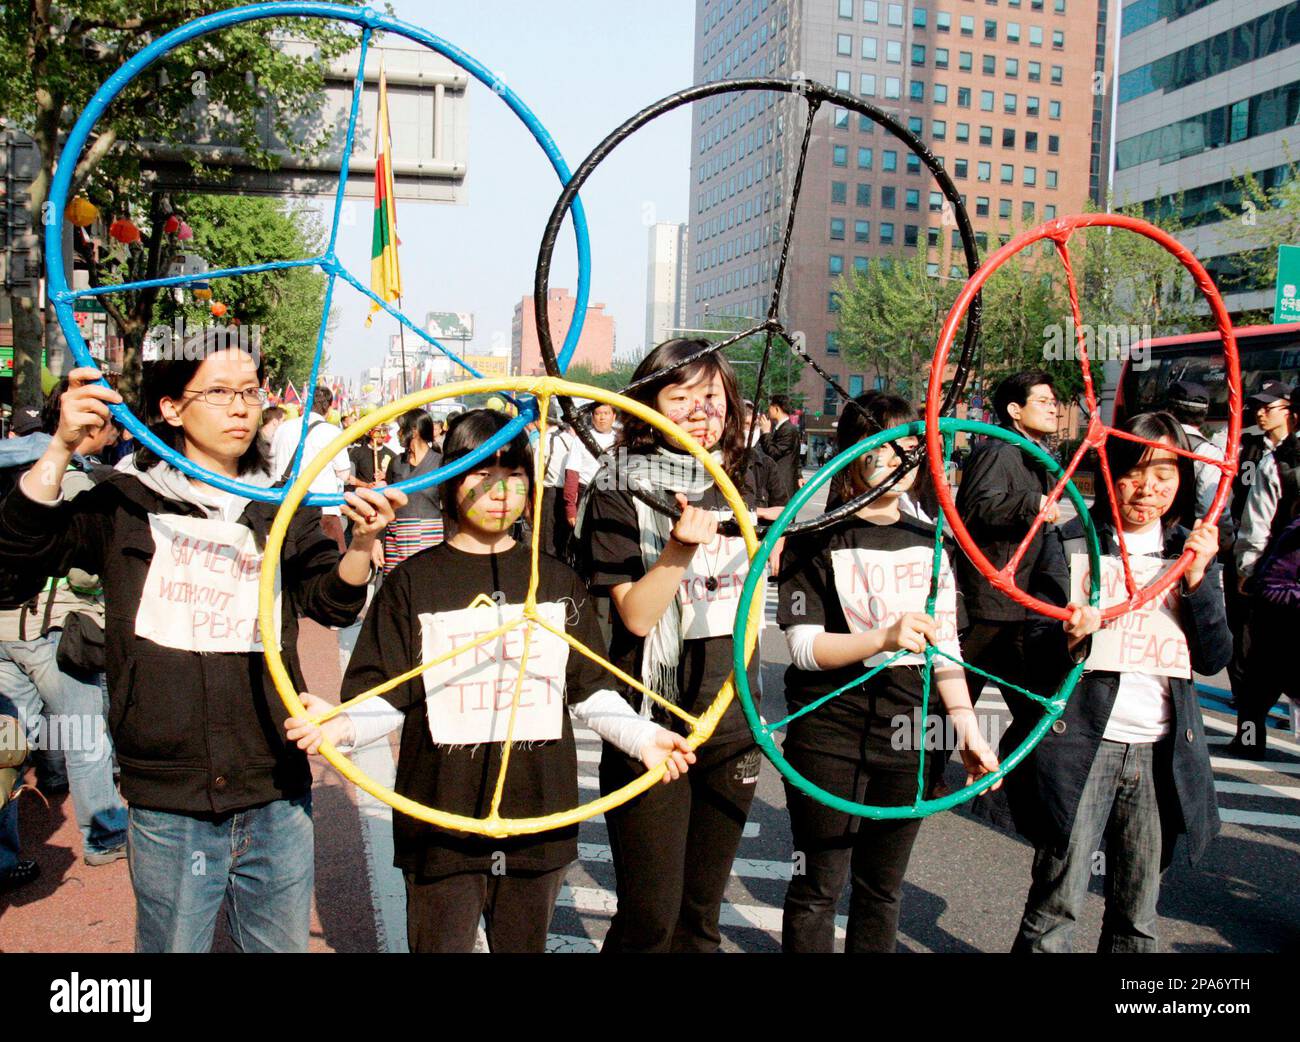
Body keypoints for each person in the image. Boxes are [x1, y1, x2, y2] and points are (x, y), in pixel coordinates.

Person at [0, 348, 402, 952]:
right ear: (170, 407)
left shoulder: (279, 506)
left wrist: (360, 544)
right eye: (219, 393)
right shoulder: (125, 501)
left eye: (250, 391)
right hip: (169, 795)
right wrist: (59, 448)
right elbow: (14, 567)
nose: (240, 407)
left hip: (274, 781)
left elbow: (331, 601)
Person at [286, 409, 693, 952]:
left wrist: (643, 738)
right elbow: (389, 692)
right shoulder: (413, 582)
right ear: (452, 480)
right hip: (440, 819)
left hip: (537, 817)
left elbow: (591, 689)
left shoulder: (554, 578)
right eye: (482, 474)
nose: (500, 491)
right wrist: (339, 728)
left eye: (516, 475)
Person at [776, 392, 999, 952]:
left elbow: (947, 645)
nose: (899, 460)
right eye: (883, 447)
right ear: (852, 454)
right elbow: (803, 648)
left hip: (911, 734)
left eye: (911, 449)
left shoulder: (933, 539)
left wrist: (968, 730)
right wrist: (882, 637)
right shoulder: (816, 535)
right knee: (818, 886)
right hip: (827, 732)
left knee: (882, 889)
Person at [1007, 411, 1229, 953]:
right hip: (1083, 741)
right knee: (1055, 906)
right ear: (1109, 473)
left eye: (1165, 475)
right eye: (1134, 473)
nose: (1148, 490)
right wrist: (1068, 636)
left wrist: (1198, 581)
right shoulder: (1073, 542)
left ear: (1182, 480)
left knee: (1138, 914)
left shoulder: (1190, 551)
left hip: (1160, 749)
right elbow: (1029, 650)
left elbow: (1213, 656)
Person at [576, 338, 771, 953]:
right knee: (649, 918)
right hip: (651, 725)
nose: (698, 411)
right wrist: (680, 550)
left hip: (733, 718)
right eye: (678, 397)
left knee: (700, 921)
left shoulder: (748, 473)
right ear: (648, 404)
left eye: (711, 397)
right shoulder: (616, 483)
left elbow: (763, 597)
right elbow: (634, 617)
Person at [0, 379, 129, 866]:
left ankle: (4, 856)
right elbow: (78, 570)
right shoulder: (71, 478)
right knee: (84, 735)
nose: (115, 432)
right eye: (111, 422)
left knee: (6, 745)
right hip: (51, 630)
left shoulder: (11, 462)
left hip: (3, 626)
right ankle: (104, 837)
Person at [954, 371, 1060, 720]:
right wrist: (1032, 503)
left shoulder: (1029, 454)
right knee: (957, 698)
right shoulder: (1000, 451)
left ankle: (1015, 773)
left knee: (1031, 707)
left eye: (1054, 402)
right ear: (1015, 410)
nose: (1053, 409)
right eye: (1043, 402)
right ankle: (928, 772)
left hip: (1013, 601)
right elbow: (975, 510)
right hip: (989, 601)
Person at [1232, 383, 1300, 755]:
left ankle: (1249, 738)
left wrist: (1246, 569)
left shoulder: (1278, 461)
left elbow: (1256, 522)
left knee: (1260, 666)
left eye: (1268, 407)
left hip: (1279, 583)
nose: (1260, 414)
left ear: (1292, 412)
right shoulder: (1261, 452)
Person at [271, 385, 353, 552]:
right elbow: (344, 474)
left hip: (286, 510)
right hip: (323, 511)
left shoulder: (283, 428)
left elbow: (272, 464)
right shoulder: (332, 432)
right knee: (330, 569)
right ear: (329, 408)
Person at [381, 410, 443, 576]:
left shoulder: (440, 464)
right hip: (397, 539)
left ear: (414, 430)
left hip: (430, 539)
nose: (398, 433)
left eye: (401, 428)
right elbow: (384, 504)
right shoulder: (396, 463)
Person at [1163, 380, 1226, 521]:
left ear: (1169, 410)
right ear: (1204, 414)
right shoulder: (1208, 452)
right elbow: (1208, 505)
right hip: (1183, 535)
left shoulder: (1150, 440)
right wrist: (1227, 538)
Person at [563, 403, 617, 531]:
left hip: (612, 495)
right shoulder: (581, 439)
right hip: (586, 494)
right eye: (598, 414)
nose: (602, 418)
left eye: (606, 413)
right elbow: (572, 472)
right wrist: (570, 507)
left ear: (613, 417)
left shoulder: (621, 439)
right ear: (592, 417)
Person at [758, 394, 801, 506]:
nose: (768, 410)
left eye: (770, 407)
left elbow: (774, 453)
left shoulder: (787, 429)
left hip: (783, 485)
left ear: (776, 409)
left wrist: (766, 433)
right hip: (780, 483)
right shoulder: (783, 428)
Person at [346, 421, 396, 491]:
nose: (381, 435)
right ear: (370, 432)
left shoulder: (392, 455)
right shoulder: (356, 452)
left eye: (384, 431)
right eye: (378, 431)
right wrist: (365, 485)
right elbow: (348, 477)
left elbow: (396, 478)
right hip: (362, 496)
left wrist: (386, 476)